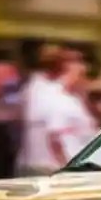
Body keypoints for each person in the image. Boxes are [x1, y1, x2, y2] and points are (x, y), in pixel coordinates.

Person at [17, 45, 69, 176]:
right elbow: (54, 133)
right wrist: (65, 162)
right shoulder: (49, 91)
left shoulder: (31, 87)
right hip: (46, 164)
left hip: (31, 160)